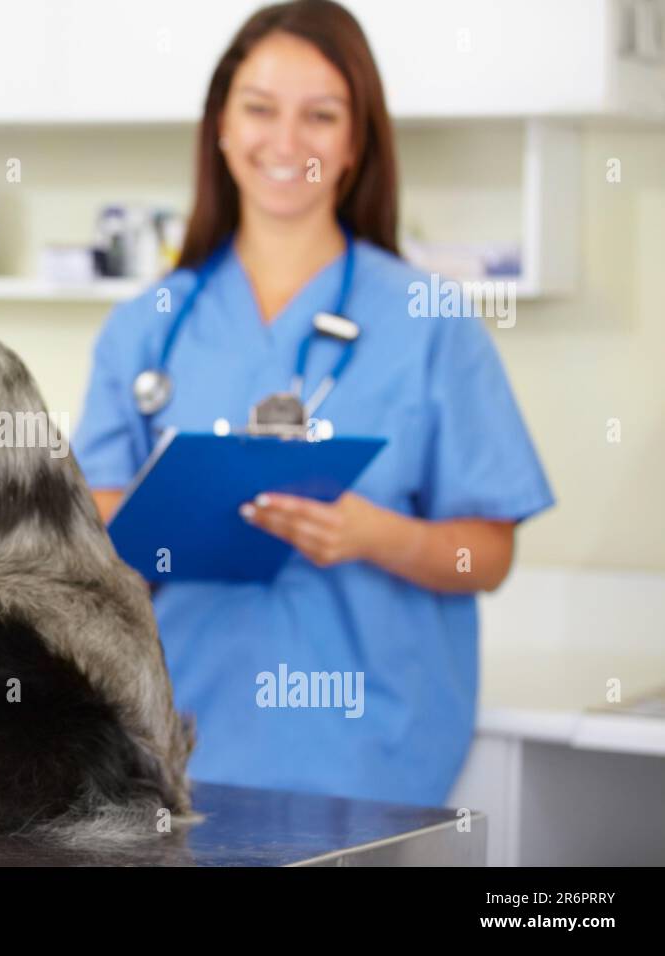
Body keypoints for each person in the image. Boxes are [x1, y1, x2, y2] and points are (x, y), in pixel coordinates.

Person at [72, 0, 554, 806]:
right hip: (182, 746)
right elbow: (87, 527)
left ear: (357, 140)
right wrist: (163, 515)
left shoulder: (430, 320)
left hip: (373, 755)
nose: (286, 142)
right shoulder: (148, 326)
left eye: (321, 116)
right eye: (259, 109)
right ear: (221, 125)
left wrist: (375, 535)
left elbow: (487, 554)